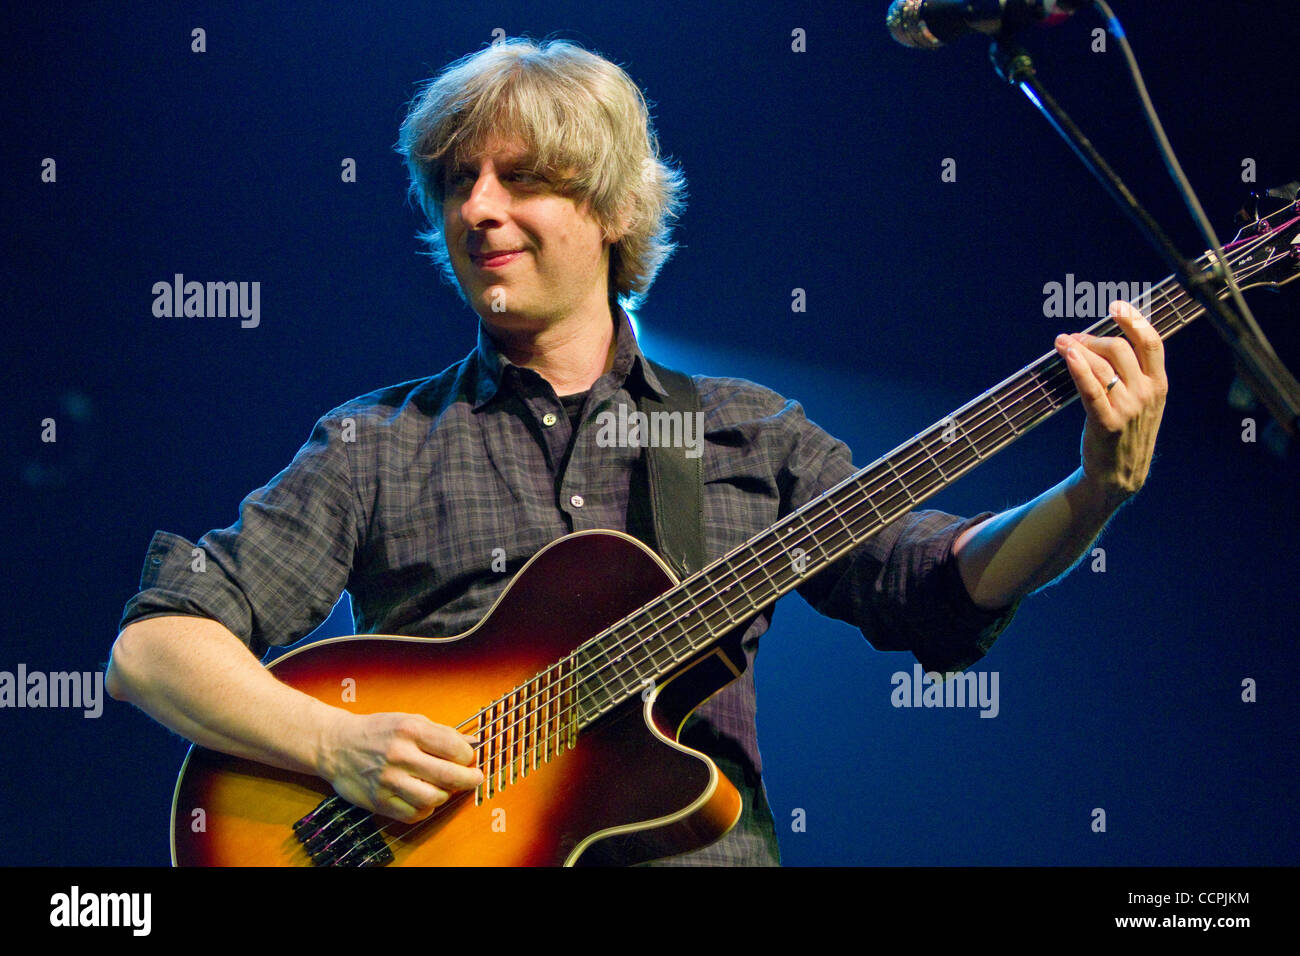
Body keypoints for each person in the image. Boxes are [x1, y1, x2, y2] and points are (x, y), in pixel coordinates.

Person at [106, 38, 1167, 866]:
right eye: (454, 181)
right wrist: (335, 746)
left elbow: (927, 586)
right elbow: (154, 648)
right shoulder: (372, 443)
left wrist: (1087, 497)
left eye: (519, 177)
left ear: (612, 206)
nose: (477, 208)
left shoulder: (751, 429)